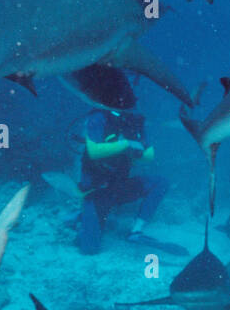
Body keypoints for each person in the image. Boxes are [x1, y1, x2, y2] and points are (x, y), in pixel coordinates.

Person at [71, 65, 170, 254]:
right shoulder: (98, 115)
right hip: (95, 189)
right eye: (126, 80)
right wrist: (126, 146)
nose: (129, 85)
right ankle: (81, 216)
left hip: (119, 186)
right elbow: (94, 152)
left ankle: (137, 231)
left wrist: (134, 149)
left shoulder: (136, 120)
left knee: (160, 183)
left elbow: (149, 155)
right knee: (89, 248)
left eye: (133, 80)